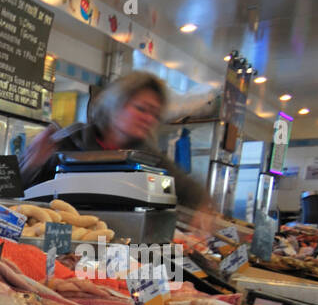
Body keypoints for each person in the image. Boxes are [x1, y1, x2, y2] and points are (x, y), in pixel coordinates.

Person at [20, 71, 212, 217]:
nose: (148, 118)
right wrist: (33, 163)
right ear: (115, 104)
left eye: (154, 114)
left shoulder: (149, 158)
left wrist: (204, 207)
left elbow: (190, 190)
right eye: (141, 109)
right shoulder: (71, 140)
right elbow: (15, 192)